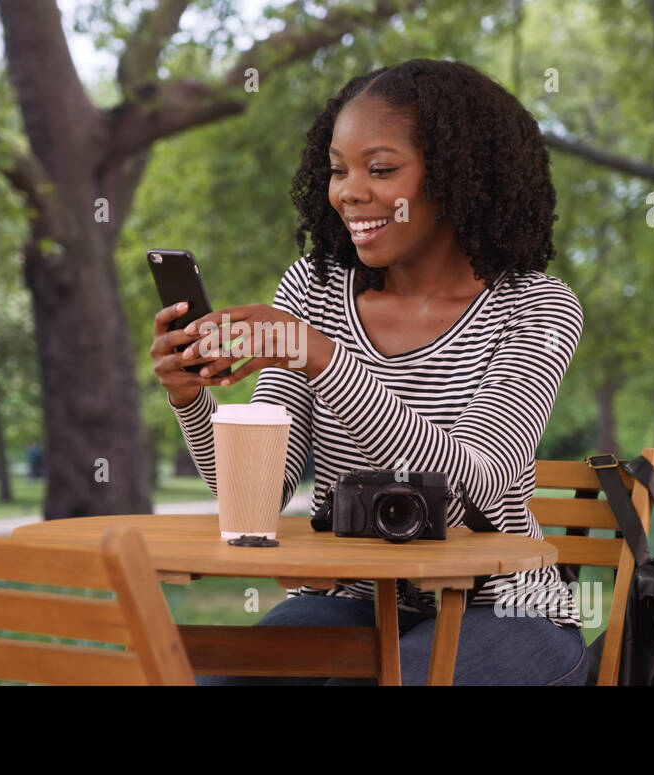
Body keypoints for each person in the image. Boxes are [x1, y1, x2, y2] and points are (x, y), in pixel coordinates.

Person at [151, 59, 587, 686]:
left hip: (507, 609)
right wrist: (189, 399)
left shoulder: (533, 306)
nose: (349, 191)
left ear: (458, 178)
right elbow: (258, 495)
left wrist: (325, 360)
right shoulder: (313, 290)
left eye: (381, 169)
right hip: (351, 603)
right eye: (338, 169)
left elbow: (480, 482)